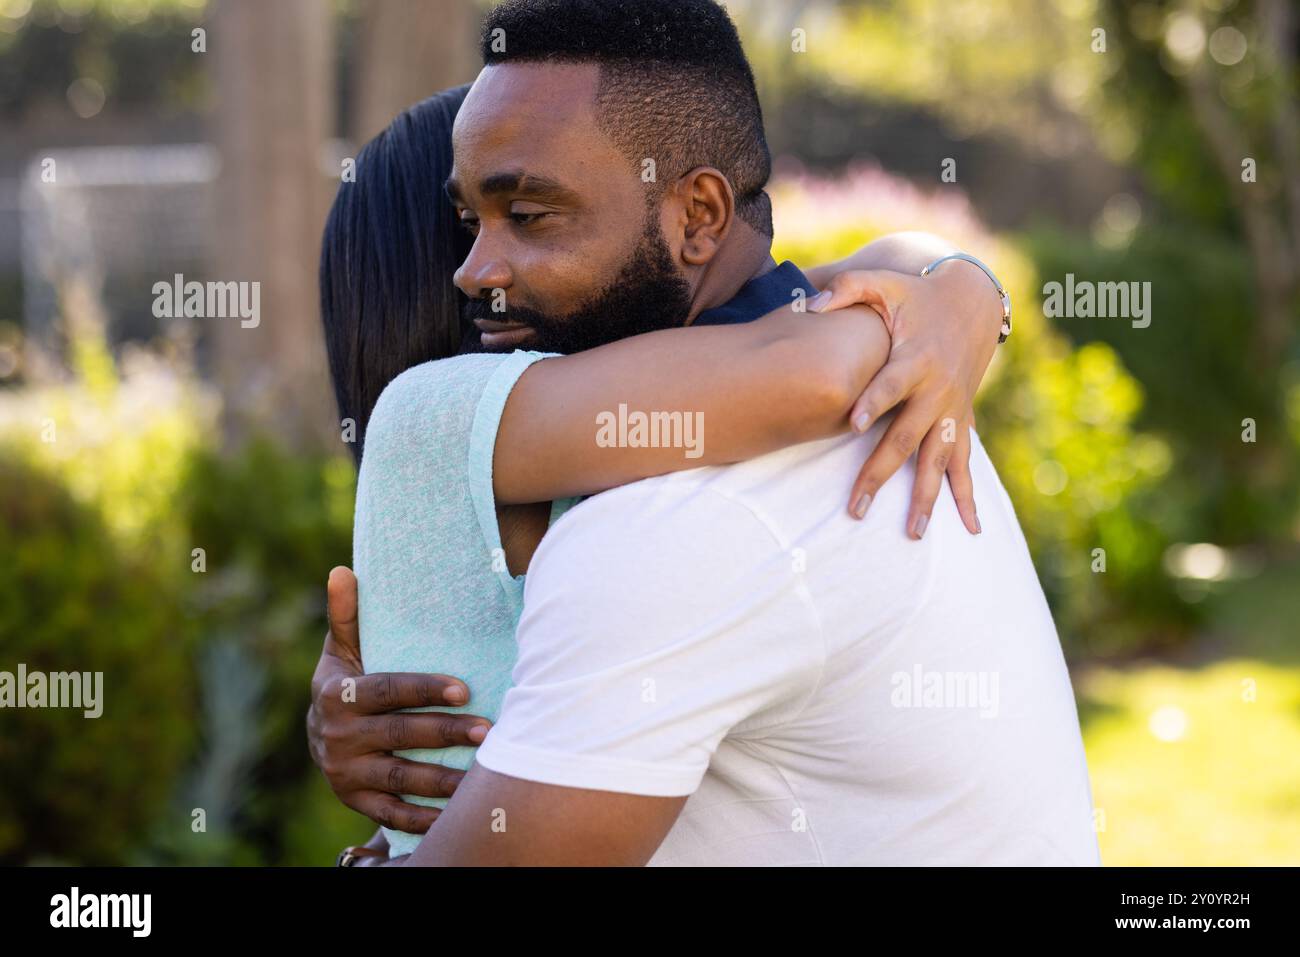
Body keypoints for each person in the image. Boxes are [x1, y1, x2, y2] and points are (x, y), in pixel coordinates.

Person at [311, 0, 1098, 866]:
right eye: (467, 223)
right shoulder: (884, 378)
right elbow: (814, 337)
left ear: (698, 217)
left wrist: (951, 297)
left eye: (529, 215)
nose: (477, 272)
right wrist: (950, 297)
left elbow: (811, 362)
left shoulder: (676, 516)